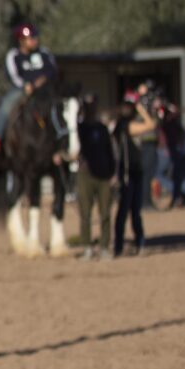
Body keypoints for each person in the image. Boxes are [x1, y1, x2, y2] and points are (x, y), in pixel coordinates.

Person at [0, 22, 58, 156]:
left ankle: (61, 143)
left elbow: (52, 70)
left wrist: (42, 81)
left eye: (35, 37)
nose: (34, 41)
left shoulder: (44, 53)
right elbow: (13, 75)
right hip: (22, 90)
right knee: (6, 106)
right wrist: (26, 85)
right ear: (21, 41)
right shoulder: (14, 55)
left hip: (45, 90)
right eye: (31, 38)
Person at [73, 97, 115, 259]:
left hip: (104, 175)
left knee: (105, 213)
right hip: (86, 175)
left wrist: (113, 173)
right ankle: (87, 247)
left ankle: (104, 246)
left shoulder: (102, 129)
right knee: (85, 213)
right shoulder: (79, 129)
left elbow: (110, 151)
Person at [113, 96, 154, 257]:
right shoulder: (126, 126)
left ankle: (122, 244)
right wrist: (143, 111)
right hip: (128, 173)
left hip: (132, 171)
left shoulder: (120, 125)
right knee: (130, 211)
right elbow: (151, 125)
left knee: (128, 211)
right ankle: (134, 243)